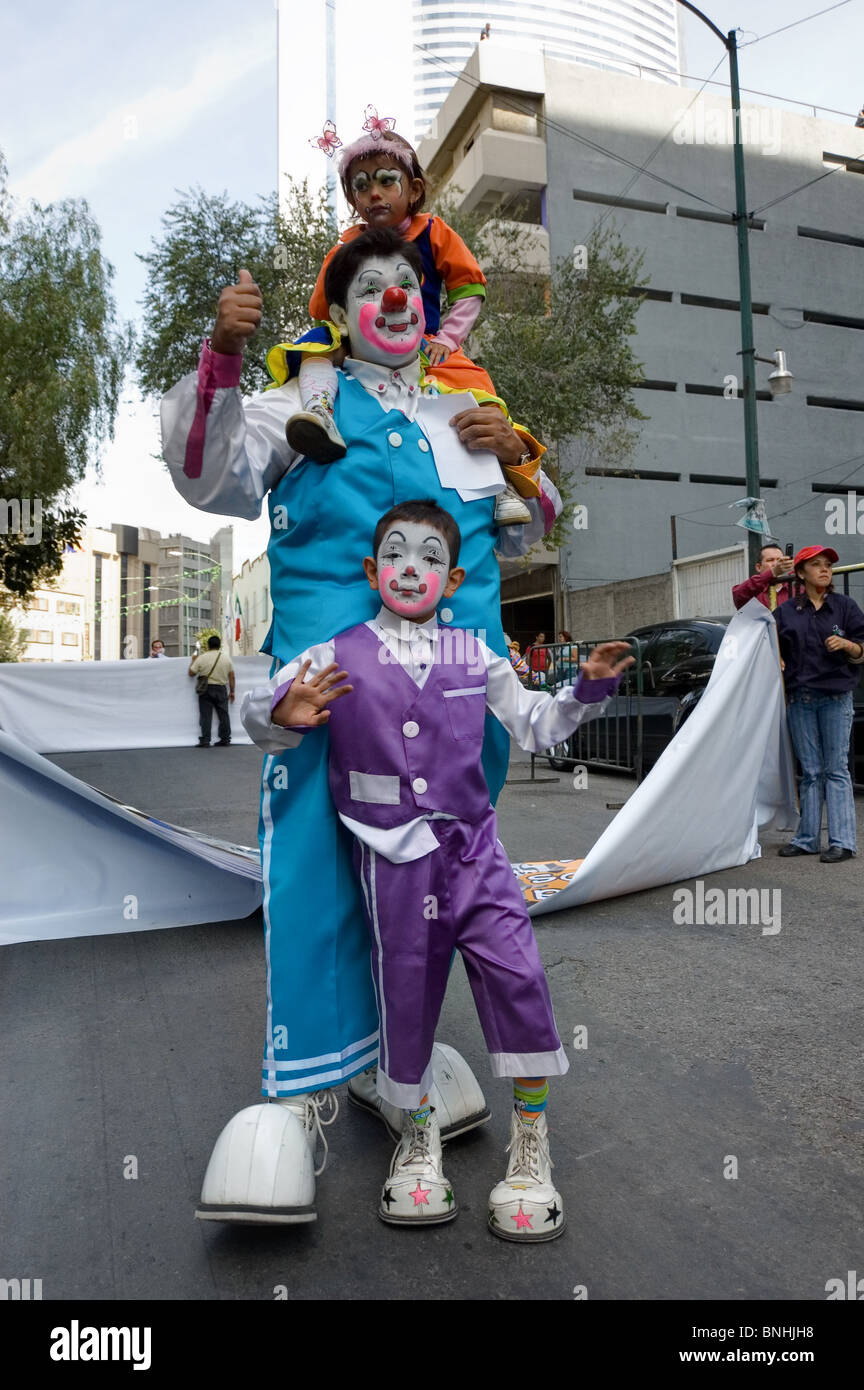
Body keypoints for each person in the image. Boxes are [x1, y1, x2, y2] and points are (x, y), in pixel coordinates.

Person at [161, 223, 562, 1222]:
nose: (394, 299)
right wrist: (219, 354)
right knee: (316, 881)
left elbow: (542, 510)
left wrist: (518, 457)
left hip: (462, 706)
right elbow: (210, 473)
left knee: (429, 899)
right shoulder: (306, 397)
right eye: (370, 286)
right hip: (331, 698)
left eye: (408, 284)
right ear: (338, 313)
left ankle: (403, 1067)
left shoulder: (465, 401)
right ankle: (302, 1098)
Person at [242, 498, 634, 1238]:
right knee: (407, 994)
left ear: (452, 579)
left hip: (476, 852)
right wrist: (280, 715)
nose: (410, 568)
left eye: (428, 557)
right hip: (393, 860)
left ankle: (530, 1145)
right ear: (372, 569)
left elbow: (536, 724)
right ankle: (417, 1142)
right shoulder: (335, 651)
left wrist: (585, 689)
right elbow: (260, 713)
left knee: (519, 976)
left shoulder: (477, 653)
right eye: (396, 554)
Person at [276, 120, 532, 525]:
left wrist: (447, 339)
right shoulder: (346, 245)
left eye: (385, 181)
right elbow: (321, 306)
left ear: (413, 189)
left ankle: (501, 489)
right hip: (368, 341)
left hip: (427, 342)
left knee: (479, 392)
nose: (373, 193)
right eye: (361, 186)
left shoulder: (433, 231)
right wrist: (344, 344)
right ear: (352, 199)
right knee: (313, 352)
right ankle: (320, 414)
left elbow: (469, 288)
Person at [774, 546, 864, 863]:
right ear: (800, 573)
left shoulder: (845, 607)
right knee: (811, 771)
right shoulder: (785, 612)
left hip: (836, 697)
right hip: (801, 698)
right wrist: (778, 658)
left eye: (828, 565)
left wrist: (849, 644)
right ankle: (807, 839)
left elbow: (863, 648)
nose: (824, 569)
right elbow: (768, 646)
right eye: (816, 565)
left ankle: (842, 842)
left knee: (836, 768)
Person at [188, 635, 235, 747]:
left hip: (206, 689)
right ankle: (225, 739)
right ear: (219, 645)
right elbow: (232, 676)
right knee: (224, 715)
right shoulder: (226, 658)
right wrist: (232, 691)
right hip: (221, 689)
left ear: (208, 645)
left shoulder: (202, 658)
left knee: (206, 715)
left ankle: (205, 740)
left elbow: (191, 673)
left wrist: (193, 661)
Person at [732, 542, 794, 611]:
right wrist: (773, 572)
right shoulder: (752, 593)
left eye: (779, 560)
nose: (776, 564)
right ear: (758, 567)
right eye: (770, 560)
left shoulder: (796, 590)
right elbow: (738, 594)